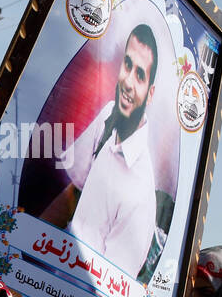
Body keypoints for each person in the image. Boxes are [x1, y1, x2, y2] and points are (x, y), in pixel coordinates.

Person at [43, 25, 160, 276]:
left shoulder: (141, 196)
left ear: (150, 94)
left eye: (140, 75)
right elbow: (72, 193)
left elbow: (109, 293)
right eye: (127, 65)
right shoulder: (109, 114)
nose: (128, 82)